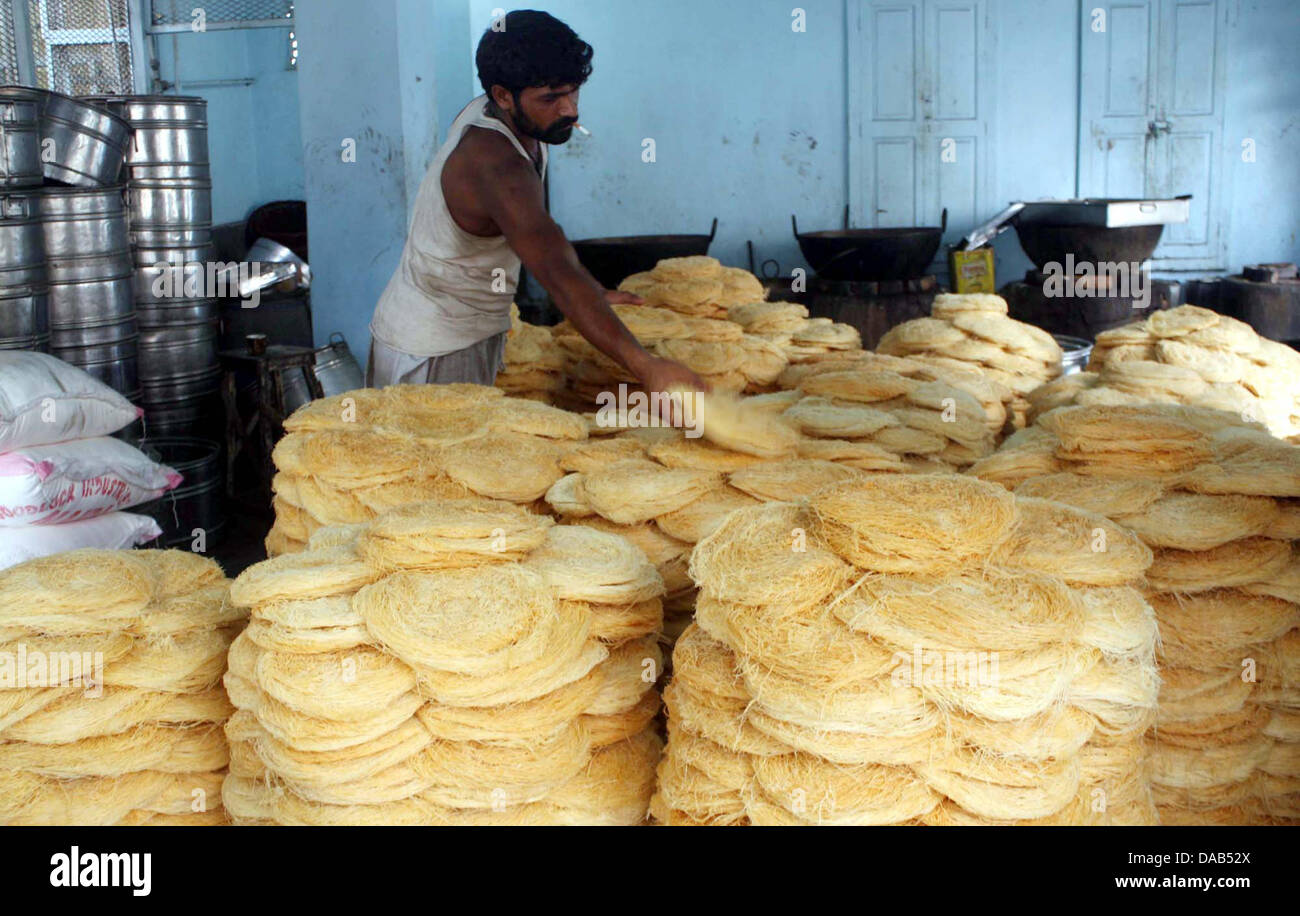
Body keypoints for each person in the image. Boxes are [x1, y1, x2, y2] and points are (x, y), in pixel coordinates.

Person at [367, 8, 706, 400]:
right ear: (502, 96)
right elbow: (552, 264)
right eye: (551, 98)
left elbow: (548, 240)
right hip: (432, 348)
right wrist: (648, 368)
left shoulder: (517, 117)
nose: (570, 110)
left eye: (573, 90)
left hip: (469, 329)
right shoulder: (495, 163)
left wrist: (591, 291)